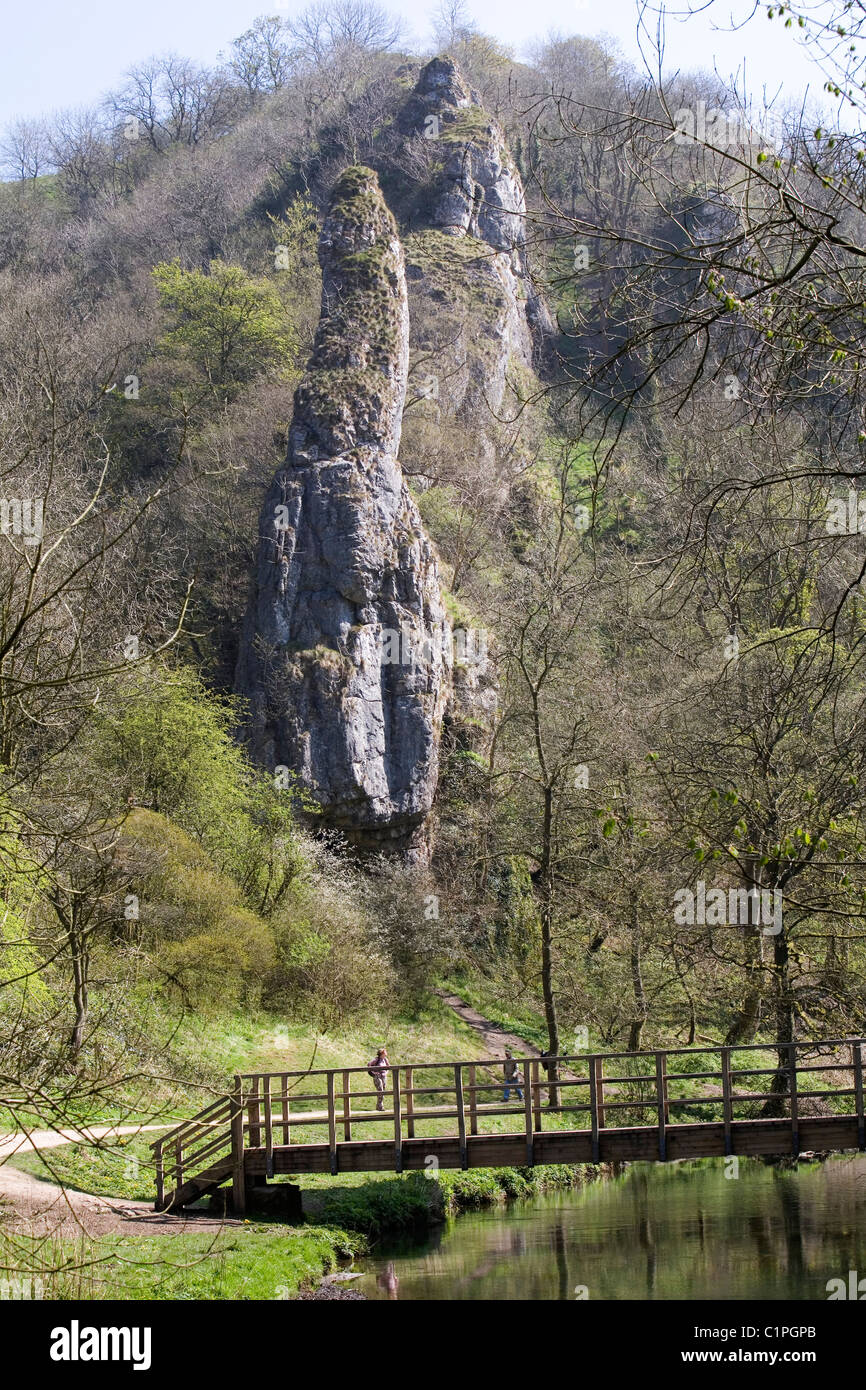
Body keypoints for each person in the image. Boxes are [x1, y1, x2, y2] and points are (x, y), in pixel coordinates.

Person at [368, 1046, 390, 1112]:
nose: (386, 1054)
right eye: (384, 1052)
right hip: (377, 1077)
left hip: (384, 1077)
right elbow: (369, 1064)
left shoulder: (385, 1059)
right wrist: (374, 1073)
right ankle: (380, 1106)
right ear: (381, 1053)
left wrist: (386, 1073)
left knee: (383, 1091)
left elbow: (389, 1067)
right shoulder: (376, 1059)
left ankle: (379, 1105)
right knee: (380, 1090)